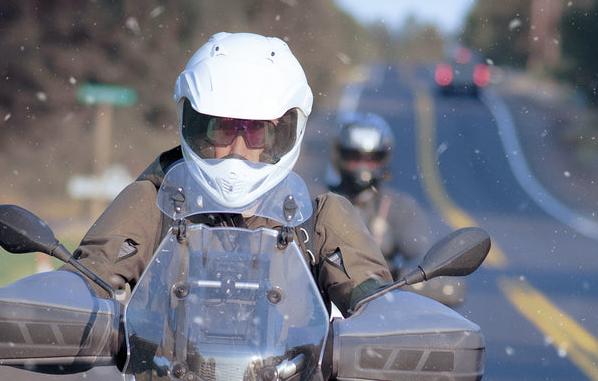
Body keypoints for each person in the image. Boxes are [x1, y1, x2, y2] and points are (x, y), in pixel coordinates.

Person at [70, 32, 392, 323]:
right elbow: (78, 286)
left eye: (257, 132)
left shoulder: (320, 224)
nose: (238, 148)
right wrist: (58, 308)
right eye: (222, 128)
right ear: (196, 125)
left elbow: (384, 313)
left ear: (285, 136)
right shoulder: (153, 205)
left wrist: (394, 327)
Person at [327, 112, 437, 381]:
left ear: (384, 160)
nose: (362, 166)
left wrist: (423, 282)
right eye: (354, 156)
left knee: (409, 373)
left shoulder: (400, 209)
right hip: (327, 314)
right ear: (339, 156)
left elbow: (422, 253)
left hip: (383, 314)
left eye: (371, 158)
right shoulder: (318, 202)